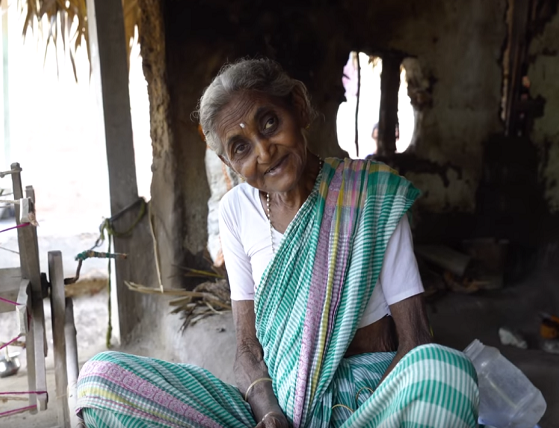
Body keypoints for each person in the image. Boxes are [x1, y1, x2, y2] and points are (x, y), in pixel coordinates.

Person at [76, 59, 478, 428]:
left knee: (446, 374)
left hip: (370, 405)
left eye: (269, 122)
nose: (264, 152)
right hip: (279, 409)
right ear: (230, 165)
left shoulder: (372, 193)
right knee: (101, 382)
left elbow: (415, 340)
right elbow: (248, 351)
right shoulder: (236, 212)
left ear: (298, 109)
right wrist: (268, 414)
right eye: (241, 147)